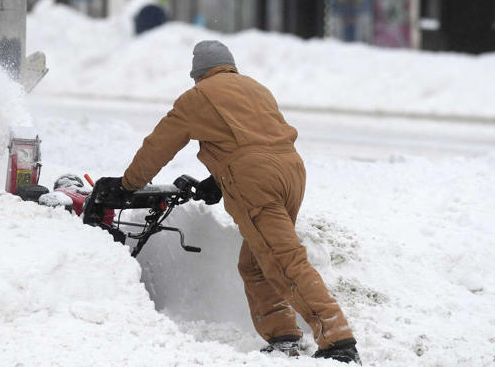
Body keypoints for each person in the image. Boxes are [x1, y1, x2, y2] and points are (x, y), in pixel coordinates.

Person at [94, 40, 361, 363]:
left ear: (197, 74)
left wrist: (127, 185)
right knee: (255, 263)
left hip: (256, 182)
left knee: (284, 261)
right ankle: (283, 335)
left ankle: (338, 342)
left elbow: (158, 147)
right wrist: (216, 182)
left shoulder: (197, 97)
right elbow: (251, 140)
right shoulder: (256, 88)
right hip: (291, 174)